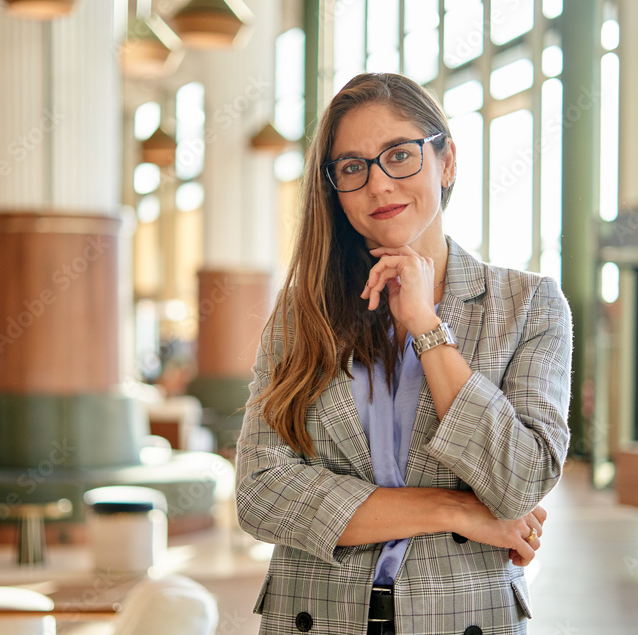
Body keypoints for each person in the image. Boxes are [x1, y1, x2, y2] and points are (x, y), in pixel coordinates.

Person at [235, 72, 572, 635]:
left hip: (464, 619)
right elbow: (259, 492)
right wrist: (454, 509)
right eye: (352, 167)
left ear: (446, 162)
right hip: (314, 618)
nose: (378, 185)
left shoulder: (529, 306)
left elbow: (518, 482)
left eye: (399, 155)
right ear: (334, 190)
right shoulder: (304, 312)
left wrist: (425, 325)